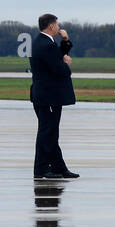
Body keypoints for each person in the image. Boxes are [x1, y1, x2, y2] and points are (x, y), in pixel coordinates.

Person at [30, 13, 78, 180]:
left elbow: (55, 57)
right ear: (51, 26)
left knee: (50, 133)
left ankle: (58, 167)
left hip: (44, 95)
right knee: (47, 133)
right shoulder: (46, 45)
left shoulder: (43, 42)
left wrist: (65, 41)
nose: (59, 28)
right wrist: (66, 64)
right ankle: (41, 169)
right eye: (57, 25)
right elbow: (58, 69)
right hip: (48, 97)